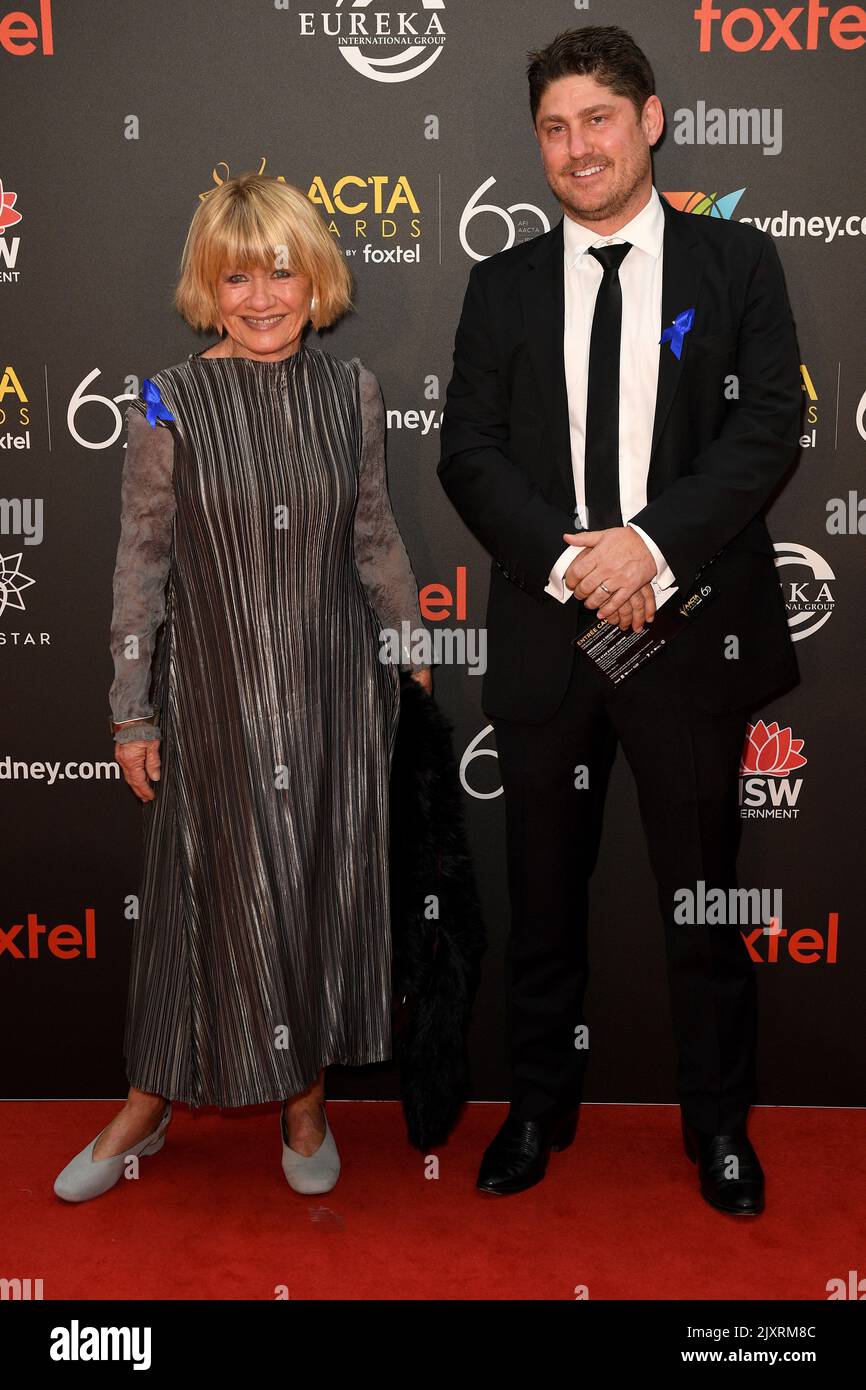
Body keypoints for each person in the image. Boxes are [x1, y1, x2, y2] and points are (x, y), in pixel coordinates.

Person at [438, 26, 800, 1213]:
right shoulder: (500, 285)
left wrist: (642, 550)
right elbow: (468, 454)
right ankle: (536, 1109)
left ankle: (718, 1129)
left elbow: (764, 437)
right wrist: (571, 565)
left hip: (689, 628)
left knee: (702, 903)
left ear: (649, 120)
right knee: (542, 898)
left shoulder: (736, 264)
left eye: (597, 118)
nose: (575, 146)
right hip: (555, 634)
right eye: (553, 127)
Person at [54, 171, 431, 1203]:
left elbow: (371, 529)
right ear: (205, 289)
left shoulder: (347, 391)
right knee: (191, 903)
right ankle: (149, 1100)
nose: (261, 297)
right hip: (214, 699)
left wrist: (410, 643)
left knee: (315, 890)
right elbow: (141, 562)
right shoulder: (167, 395)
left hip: (329, 693)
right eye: (235, 277)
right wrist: (132, 707)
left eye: (280, 271)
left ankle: (303, 1099)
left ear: (315, 277)